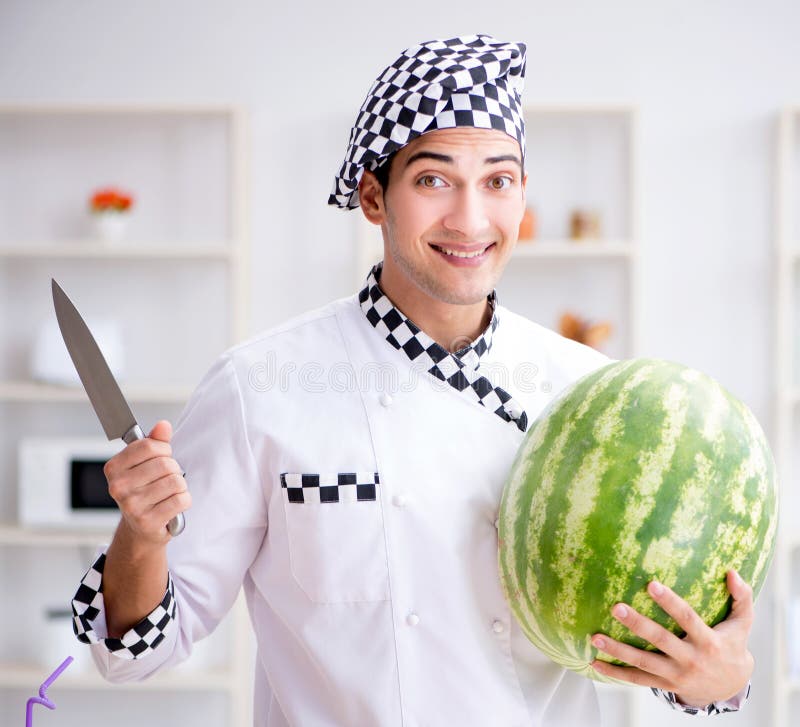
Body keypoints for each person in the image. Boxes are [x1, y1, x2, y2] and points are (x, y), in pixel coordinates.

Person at [71, 34, 754, 725]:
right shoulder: (259, 388)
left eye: (498, 181)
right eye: (434, 180)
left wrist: (717, 679)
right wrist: (142, 536)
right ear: (373, 196)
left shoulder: (588, 392)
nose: (470, 220)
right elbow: (132, 651)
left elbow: (651, 639)